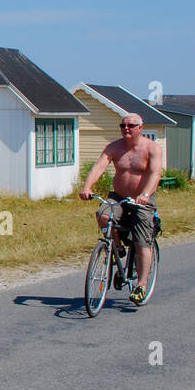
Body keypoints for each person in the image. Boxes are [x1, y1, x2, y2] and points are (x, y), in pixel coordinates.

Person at [79, 114, 163, 304]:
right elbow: (99, 167)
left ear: (140, 127)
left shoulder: (152, 148)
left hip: (142, 199)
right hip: (118, 197)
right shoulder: (114, 147)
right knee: (102, 215)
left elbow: (154, 174)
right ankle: (116, 247)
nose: (126, 128)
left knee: (141, 241)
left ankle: (141, 286)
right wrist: (87, 187)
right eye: (123, 125)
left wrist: (145, 194)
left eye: (131, 125)